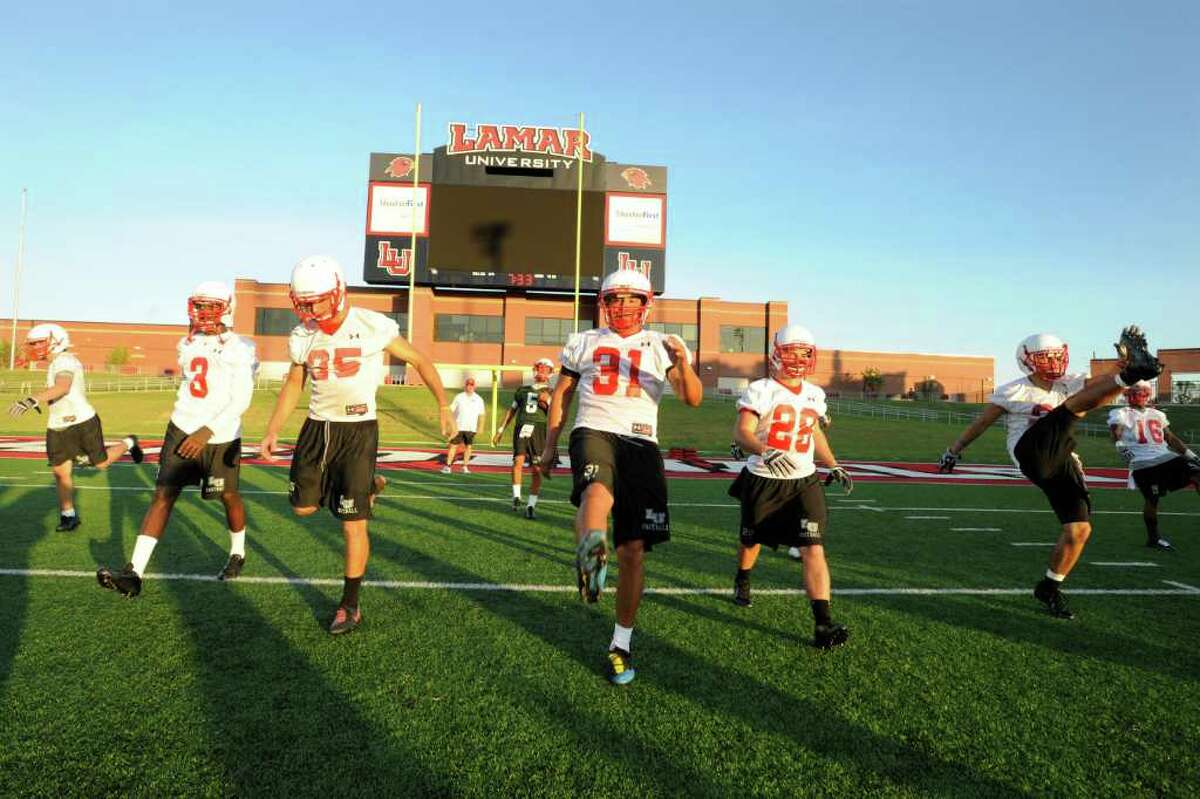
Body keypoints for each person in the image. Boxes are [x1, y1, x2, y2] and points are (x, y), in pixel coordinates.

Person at [261, 255, 451, 635]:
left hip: (358, 430)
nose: (310, 308)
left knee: (352, 523)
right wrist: (273, 428)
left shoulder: (371, 324)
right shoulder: (302, 336)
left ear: (338, 291)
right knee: (302, 509)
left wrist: (444, 405)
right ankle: (367, 488)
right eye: (304, 301)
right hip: (317, 428)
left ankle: (349, 605)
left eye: (317, 299)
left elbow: (419, 359)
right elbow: (294, 383)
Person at [539, 268, 703, 685]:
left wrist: (683, 362)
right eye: (616, 299)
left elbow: (692, 398)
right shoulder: (585, 341)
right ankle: (591, 558)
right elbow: (562, 394)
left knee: (634, 550)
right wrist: (549, 443)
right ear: (605, 303)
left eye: (632, 299)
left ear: (646, 303)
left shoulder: (662, 345)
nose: (624, 307)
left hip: (642, 443)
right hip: (593, 428)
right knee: (597, 491)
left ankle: (621, 643)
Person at [938, 327, 1163, 619]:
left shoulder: (1071, 382)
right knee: (1068, 412)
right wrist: (953, 450)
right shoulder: (1012, 390)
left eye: (1058, 355)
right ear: (1027, 360)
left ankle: (1049, 587)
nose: (1054, 362)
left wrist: (1120, 371)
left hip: (1062, 458)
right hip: (1030, 453)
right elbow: (980, 424)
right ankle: (1133, 373)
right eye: (1046, 357)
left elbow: (1100, 390)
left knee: (1078, 529)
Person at [96, 282, 257, 597]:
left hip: (220, 435)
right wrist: (191, 427)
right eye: (201, 306)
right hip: (181, 426)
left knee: (228, 497)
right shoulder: (187, 342)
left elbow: (241, 399)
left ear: (228, 308)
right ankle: (134, 573)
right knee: (163, 495)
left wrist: (206, 431)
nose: (205, 312)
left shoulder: (241, 346)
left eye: (213, 306)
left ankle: (238, 551)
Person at [728, 324, 854, 649]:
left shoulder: (815, 394)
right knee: (751, 540)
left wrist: (833, 464)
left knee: (813, 547)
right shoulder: (761, 389)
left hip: (804, 481)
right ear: (776, 354)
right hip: (764, 478)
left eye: (804, 352)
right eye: (791, 352)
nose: (798, 359)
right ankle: (743, 578)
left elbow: (814, 433)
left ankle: (823, 625)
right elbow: (742, 432)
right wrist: (764, 451)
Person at [9, 323, 143, 532]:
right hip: (57, 425)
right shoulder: (54, 362)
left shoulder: (65, 360)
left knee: (100, 464)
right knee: (60, 472)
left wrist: (32, 400)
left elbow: (63, 386)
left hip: (81, 422)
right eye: (32, 343)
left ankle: (129, 442)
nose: (34, 347)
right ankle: (68, 516)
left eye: (38, 343)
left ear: (56, 341)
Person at [1107, 380, 1200, 551]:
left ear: (1148, 394)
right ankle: (1153, 538)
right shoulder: (1120, 412)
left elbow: (1171, 438)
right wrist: (1120, 446)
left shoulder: (1157, 414)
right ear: (1128, 394)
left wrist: (1192, 456)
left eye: (1143, 392)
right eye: (1135, 392)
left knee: (1197, 473)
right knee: (1152, 499)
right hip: (1143, 463)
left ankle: (1153, 539)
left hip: (1166, 457)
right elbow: (1116, 432)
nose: (1139, 396)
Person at [492, 358, 554, 518]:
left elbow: (554, 414)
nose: (541, 371)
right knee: (517, 461)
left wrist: (547, 403)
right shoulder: (522, 390)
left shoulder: (552, 391)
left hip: (539, 429)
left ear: (550, 372)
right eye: (539, 367)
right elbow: (511, 411)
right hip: (522, 427)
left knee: (536, 469)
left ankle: (531, 505)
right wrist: (500, 430)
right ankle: (516, 496)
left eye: (545, 368)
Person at [442, 378, 486, 474]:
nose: (470, 387)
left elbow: (482, 414)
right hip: (458, 427)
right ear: (465, 386)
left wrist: (481, 427)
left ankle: (465, 466)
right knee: (453, 446)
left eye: (471, 385)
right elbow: (451, 410)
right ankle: (448, 466)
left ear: (474, 386)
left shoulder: (479, 399)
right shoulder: (459, 397)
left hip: (471, 427)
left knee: (468, 447)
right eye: (468, 385)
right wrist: (448, 425)